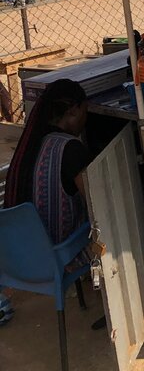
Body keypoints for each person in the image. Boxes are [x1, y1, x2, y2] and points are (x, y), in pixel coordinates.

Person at [4, 79, 91, 247]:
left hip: (21, 259)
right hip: (60, 258)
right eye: (85, 111)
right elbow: (97, 203)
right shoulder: (70, 148)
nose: (85, 119)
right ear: (73, 111)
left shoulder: (31, 144)